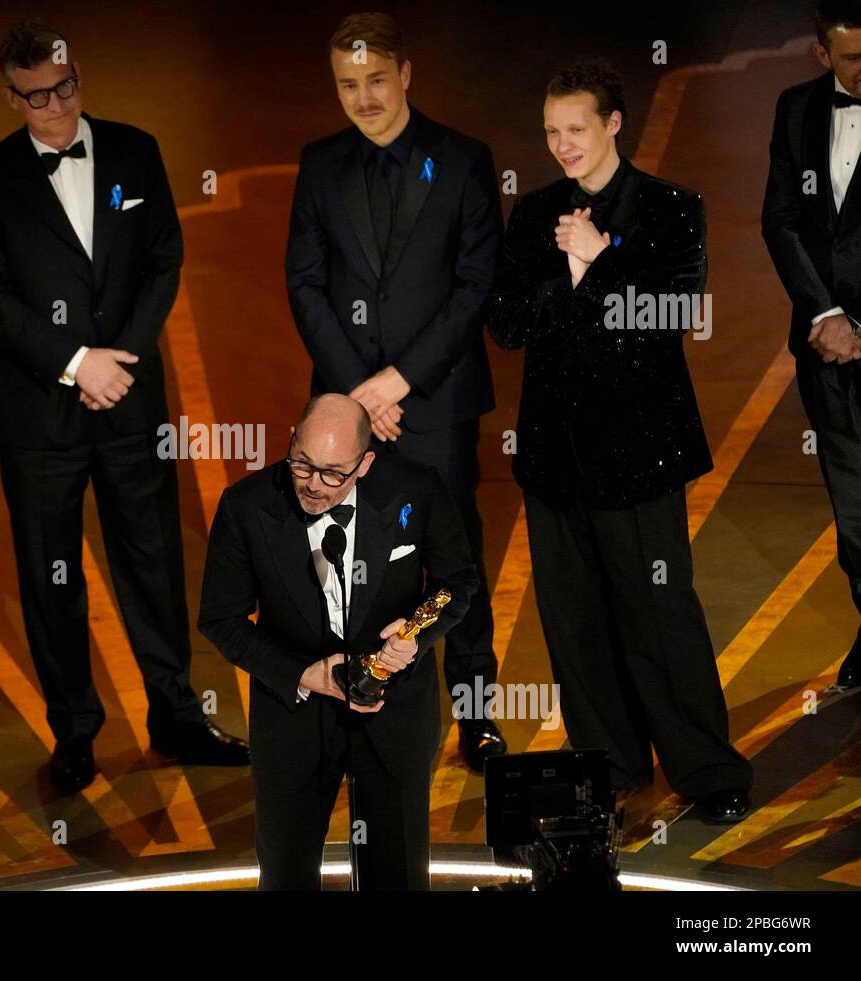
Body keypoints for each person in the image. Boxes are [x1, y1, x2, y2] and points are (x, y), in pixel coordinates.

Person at [0, 22, 248, 792]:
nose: (54, 107)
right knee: (52, 575)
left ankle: (176, 714)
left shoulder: (134, 148)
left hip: (130, 398)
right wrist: (73, 362)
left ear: (78, 75)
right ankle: (76, 731)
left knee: (153, 560)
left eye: (64, 88)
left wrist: (120, 357)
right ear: (9, 97)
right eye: (35, 97)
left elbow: (163, 258)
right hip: (40, 414)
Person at [487, 60, 753, 822]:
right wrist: (568, 277)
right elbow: (506, 324)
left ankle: (706, 768)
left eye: (576, 129)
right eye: (550, 132)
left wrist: (601, 264)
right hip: (554, 458)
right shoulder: (536, 214)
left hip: (640, 457)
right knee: (575, 623)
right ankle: (609, 764)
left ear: (613, 124)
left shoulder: (673, 209)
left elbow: (668, 317)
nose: (562, 145)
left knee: (660, 617)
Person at [285, 12, 507, 771]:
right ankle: (353, 697)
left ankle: (478, 713)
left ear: (406, 73)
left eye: (376, 80)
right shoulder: (319, 163)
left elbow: (476, 284)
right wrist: (359, 389)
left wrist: (400, 380)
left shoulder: (465, 159)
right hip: (347, 411)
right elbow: (304, 284)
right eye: (348, 84)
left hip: (435, 401)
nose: (364, 97)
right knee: (344, 562)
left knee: (455, 562)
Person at [198, 394, 478, 889]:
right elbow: (221, 620)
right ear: (291, 442)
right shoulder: (246, 506)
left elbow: (457, 582)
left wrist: (414, 634)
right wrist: (303, 674)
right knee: (285, 876)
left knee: (396, 877)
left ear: (365, 463)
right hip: (294, 718)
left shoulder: (415, 489)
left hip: (393, 715)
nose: (312, 484)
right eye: (302, 465)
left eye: (333, 473)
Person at [762, 0, 861, 690]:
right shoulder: (795, 108)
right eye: (854, 56)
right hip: (825, 349)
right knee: (853, 514)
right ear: (823, 55)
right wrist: (825, 313)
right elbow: (781, 220)